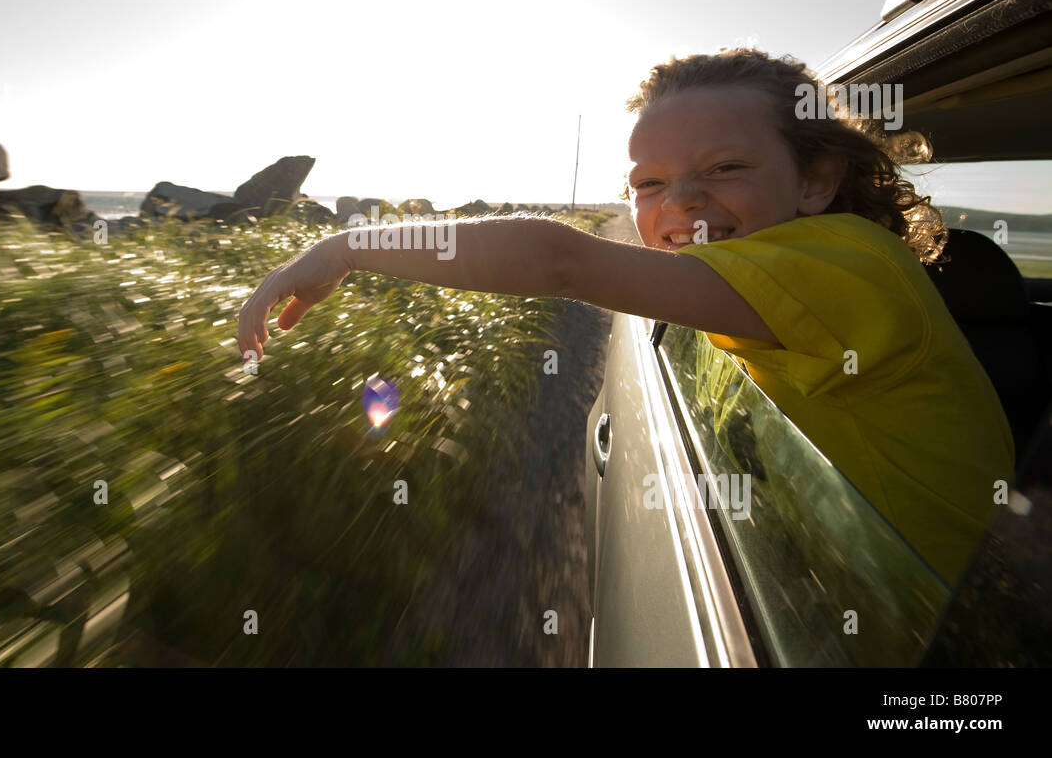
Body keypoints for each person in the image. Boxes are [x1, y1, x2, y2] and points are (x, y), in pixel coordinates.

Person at [237, 49, 1015, 588]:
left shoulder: (844, 262)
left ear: (815, 179)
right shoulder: (753, 279)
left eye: (726, 168)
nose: (680, 204)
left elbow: (560, 261)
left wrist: (348, 247)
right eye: (650, 183)